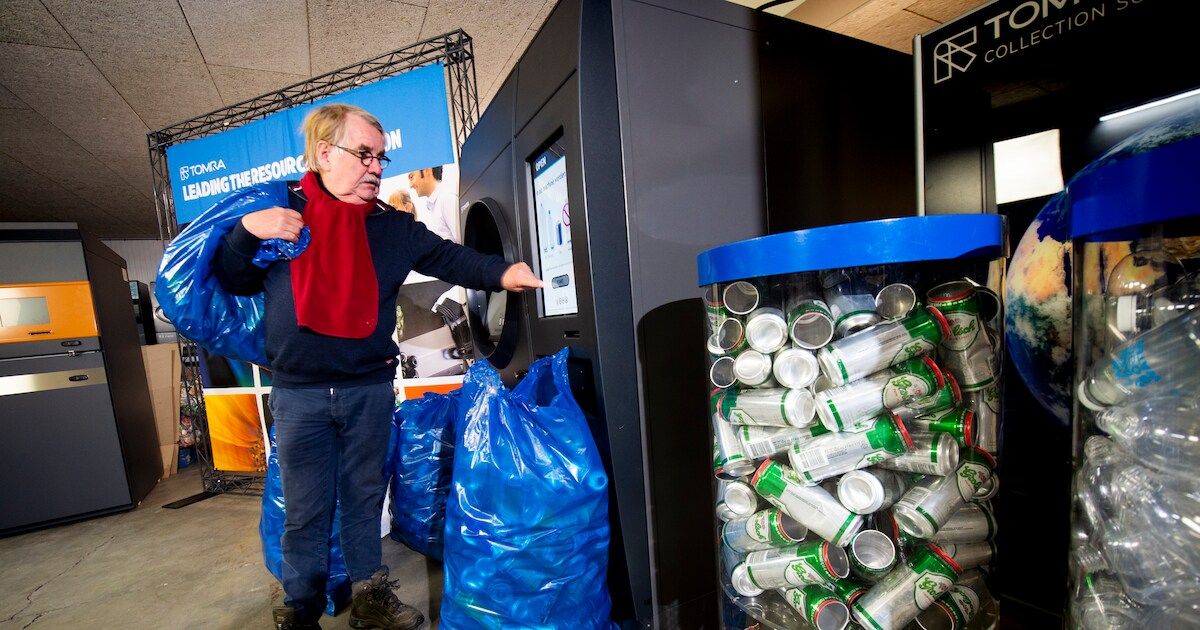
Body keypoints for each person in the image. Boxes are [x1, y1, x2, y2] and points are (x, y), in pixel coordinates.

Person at [213, 103, 541, 630]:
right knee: (305, 509)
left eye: (381, 158)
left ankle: (370, 598)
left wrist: (504, 272)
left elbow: (451, 260)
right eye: (363, 154)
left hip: (367, 389)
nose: (375, 167)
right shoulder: (281, 214)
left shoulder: (394, 229)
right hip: (298, 394)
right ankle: (301, 607)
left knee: (365, 500)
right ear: (324, 153)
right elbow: (234, 280)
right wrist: (247, 231)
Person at [407, 166, 459, 243]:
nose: (410, 185)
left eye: (412, 177)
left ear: (427, 170)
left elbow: (464, 242)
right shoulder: (436, 203)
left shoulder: (446, 198)